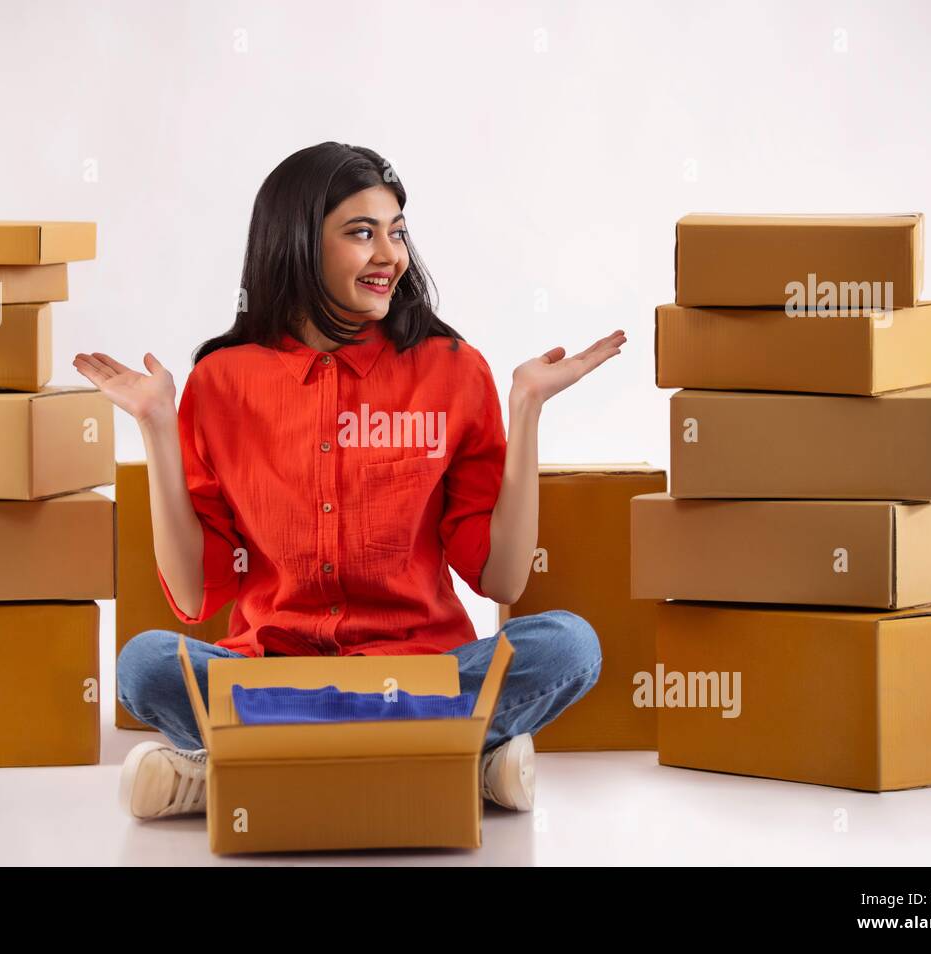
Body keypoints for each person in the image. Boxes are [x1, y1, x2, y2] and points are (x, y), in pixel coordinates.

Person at [74, 142, 626, 822]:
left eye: (396, 232)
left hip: (417, 670)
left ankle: (236, 766)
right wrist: (157, 425)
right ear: (299, 243)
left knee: (569, 645)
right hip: (274, 668)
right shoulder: (223, 383)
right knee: (145, 664)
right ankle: (454, 761)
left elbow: (503, 582)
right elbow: (193, 598)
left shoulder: (453, 371)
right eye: (361, 233)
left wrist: (526, 408)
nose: (390, 256)